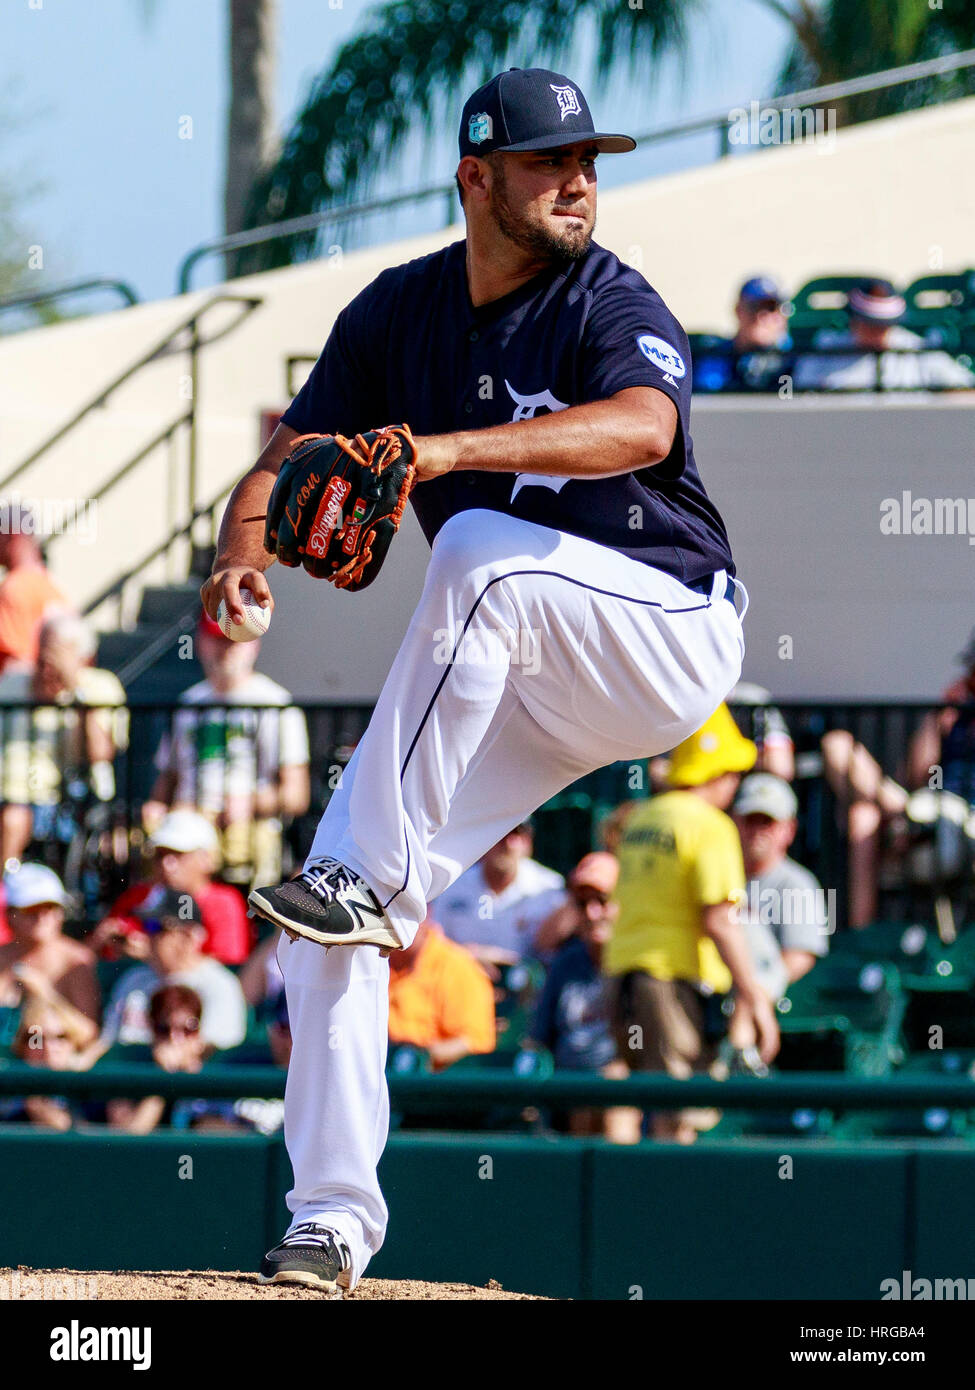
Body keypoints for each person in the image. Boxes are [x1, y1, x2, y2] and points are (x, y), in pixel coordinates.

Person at [205, 67, 747, 1292]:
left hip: (664, 631)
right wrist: (242, 556)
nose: (580, 180)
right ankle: (330, 1219)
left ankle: (375, 878)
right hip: (524, 679)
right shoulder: (398, 316)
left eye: (589, 160)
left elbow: (644, 427)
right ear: (476, 179)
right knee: (317, 925)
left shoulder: (607, 295)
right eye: (553, 160)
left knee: (474, 548)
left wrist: (443, 449)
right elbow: (286, 456)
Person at [605, 705, 778, 1144]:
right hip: (670, 981)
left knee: (649, 1097)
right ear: (718, 773)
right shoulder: (711, 826)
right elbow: (720, 920)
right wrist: (753, 992)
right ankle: (669, 1208)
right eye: (733, 774)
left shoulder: (643, 817)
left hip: (622, 977)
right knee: (679, 1111)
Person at [145, 612, 310, 887]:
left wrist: (250, 802)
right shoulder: (188, 702)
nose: (226, 648)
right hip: (188, 820)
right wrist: (157, 808)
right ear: (201, 643)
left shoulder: (277, 703)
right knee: (151, 841)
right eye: (219, 639)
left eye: (236, 640)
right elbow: (167, 779)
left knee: (242, 844)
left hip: (246, 828)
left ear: (253, 645)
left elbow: (296, 795)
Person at [0, 613, 127, 863]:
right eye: (42, 653)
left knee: (14, 818)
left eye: (57, 655)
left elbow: (100, 754)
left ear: (84, 659)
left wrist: (75, 692)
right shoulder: (13, 683)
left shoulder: (100, 687)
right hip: (7, 794)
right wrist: (37, 691)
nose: (47, 665)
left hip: (64, 801)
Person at [529, 853, 624, 1138]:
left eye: (602, 901)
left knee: (612, 1086)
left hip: (622, 1091)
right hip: (570, 1091)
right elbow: (538, 1039)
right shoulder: (565, 964)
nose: (592, 913)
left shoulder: (638, 965)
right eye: (583, 904)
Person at [90, 810, 253, 966]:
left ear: (206, 859)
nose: (166, 864)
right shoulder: (136, 897)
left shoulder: (223, 902)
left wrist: (154, 955)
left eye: (178, 854)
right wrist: (102, 940)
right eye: (160, 855)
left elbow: (227, 968)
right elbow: (83, 960)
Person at [97, 891, 247, 1053]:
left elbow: (216, 1051)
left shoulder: (219, 984)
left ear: (189, 936)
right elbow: (108, 1042)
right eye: (145, 926)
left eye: (156, 927)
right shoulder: (134, 979)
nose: (147, 936)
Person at [732, 773, 829, 1010]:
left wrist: (755, 994)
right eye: (750, 819)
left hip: (773, 1007)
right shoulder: (719, 873)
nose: (757, 831)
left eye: (767, 821)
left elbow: (799, 957)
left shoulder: (797, 883)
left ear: (789, 829)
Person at [793, 279, 975, 392]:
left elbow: (964, 391)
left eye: (883, 325)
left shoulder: (917, 351)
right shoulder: (827, 351)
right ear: (853, 320)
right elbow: (802, 400)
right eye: (869, 323)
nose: (876, 331)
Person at [432, 822, 565, 965]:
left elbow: (555, 953)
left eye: (516, 834)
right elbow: (433, 941)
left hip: (527, 982)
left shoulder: (549, 888)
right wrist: (468, 956)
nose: (507, 844)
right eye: (500, 834)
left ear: (528, 843)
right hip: (462, 977)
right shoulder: (452, 884)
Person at [0, 863, 99, 1039]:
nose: (42, 917)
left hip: (49, 1063)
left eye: (50, 908)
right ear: (10, 914)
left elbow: (88, 1034)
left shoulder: (75, 961)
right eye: (31, 910)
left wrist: (46, 995)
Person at [387, 916, 496, 1070]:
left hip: (433, 1080)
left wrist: (420, 1057)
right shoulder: (373, 959)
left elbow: (475, 1040)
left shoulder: (457, 967)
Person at [0, 505, 73, 673]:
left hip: (18, 694)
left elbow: (15, 662)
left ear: (12, 534)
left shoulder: (14, 589)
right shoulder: (53, 588)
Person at [694, 276, 792, 394]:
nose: (761, 317)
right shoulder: (717, 357)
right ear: (738, 310)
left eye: (771, 308)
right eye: (753, 307)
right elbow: (708, 401)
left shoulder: (797, 360)